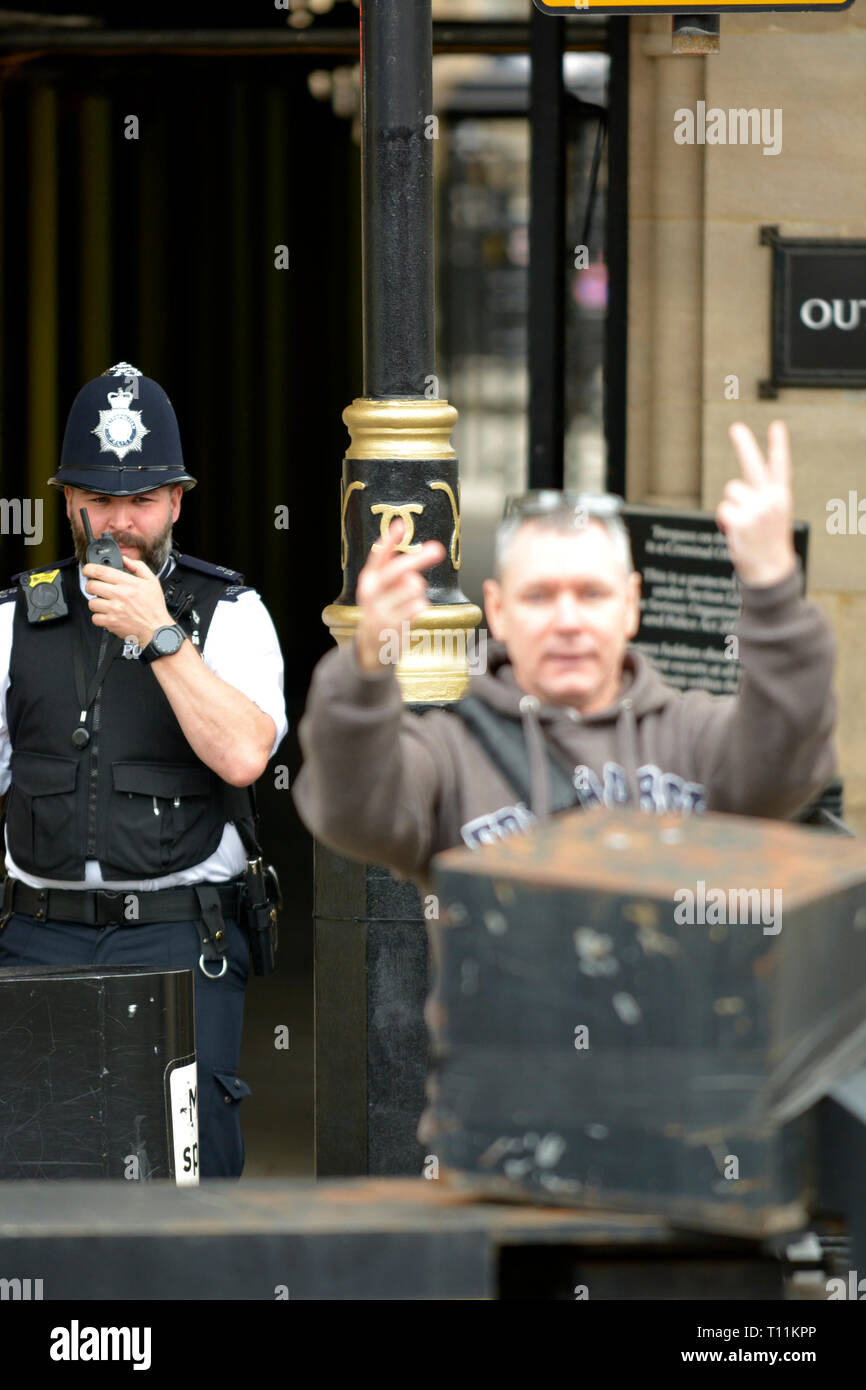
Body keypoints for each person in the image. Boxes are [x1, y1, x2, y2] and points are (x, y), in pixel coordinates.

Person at [292, 420, 837, 892]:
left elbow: (790, 761)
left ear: (631, 606)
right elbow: (349, 813)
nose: (568, 621)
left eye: (592, 594)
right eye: (540, 596)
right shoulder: (448, 754)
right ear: (498, 611)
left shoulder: (695, 737)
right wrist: (366, 665)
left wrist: (773, 589)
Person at [0, 363, 287, 1179]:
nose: (119, 522)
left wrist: (161, 636)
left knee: (188, 1186)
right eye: (99, 499)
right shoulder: (16, 619)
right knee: (39, 1181)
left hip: (178, 936)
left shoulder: (231, 614)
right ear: (66, 502)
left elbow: (242, 754)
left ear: (177, 502)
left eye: (143, 499)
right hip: (38, 937)